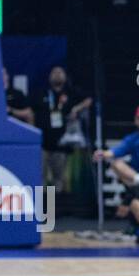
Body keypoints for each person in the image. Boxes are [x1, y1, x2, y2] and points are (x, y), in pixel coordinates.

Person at [35, 65, 92, 195]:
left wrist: (76, 109)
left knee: (58, 180)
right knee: (41, 179)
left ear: (65, 76)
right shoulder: (42, 92)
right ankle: (42, 211)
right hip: (42, 143)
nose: (57, 75)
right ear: (49, 76)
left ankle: (54, 212)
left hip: (61, 144)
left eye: (60, 72)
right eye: (54, 72)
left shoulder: (71, 92)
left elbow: (88, 100)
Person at [93, 104, 139, 188]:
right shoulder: (132, 139)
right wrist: (103, 153)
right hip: (138, 177)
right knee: (116, 163)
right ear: (136, 120)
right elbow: (117, 151)